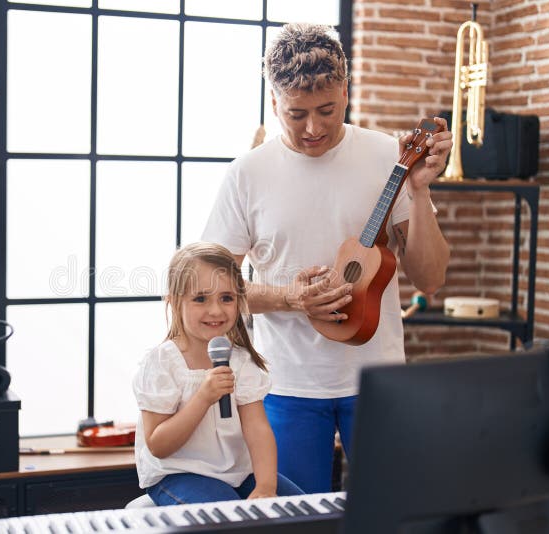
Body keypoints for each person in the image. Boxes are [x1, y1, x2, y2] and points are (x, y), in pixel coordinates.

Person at [202, 23, 452, 493]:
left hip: (379, 382)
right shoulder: (246, 174)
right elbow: (211, 291)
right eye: (296, 114)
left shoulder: (389, 156)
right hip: (285, 386)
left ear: (346, 91)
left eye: (327, 110)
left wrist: (419, 192)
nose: (313, 128)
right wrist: (291, 298)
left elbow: (430, 278)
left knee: (392, 515)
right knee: (297, 521)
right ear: (273, 101)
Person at [132, 242, 303, 505]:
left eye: (227, 298)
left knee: (303, 512)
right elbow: (158, 445)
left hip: (237, 472)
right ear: (175, 303)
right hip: (179, 473)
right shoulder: (163, 363)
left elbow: (257, 428)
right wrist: (203, 397)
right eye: (200, 299)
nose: (216, 310)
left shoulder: (241, 360)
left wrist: (266, 486)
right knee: (228, 518)